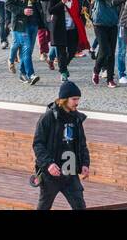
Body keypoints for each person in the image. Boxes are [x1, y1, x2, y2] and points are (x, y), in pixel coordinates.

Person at [31, 81, 90, 210]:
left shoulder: (77, 118)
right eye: (74, 99)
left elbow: (82, 144)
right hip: (51, 175)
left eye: (78, 99)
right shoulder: (48, 118)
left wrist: (85, 164)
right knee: (44, 207)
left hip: (70, 172)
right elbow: (38, 144)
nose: (77, 102)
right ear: (64, 99)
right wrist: (49, 164)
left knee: (80, 206)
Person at [5, 0, 43, 85]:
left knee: (28, 50)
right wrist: (22, 11)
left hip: (33, 21)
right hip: (21, 23)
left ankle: (22, 73)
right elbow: (8, 5)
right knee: (25, 48)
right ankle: (31, 74)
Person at [47, 0, 85, 82]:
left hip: (72, 27)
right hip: (60, 27)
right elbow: (51, 10)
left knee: (72, 51)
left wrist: (82, 10)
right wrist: (62, 2)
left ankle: (63, 66)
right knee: (61, 53)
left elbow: (77, 8)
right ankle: (63, 72)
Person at [89, 0, 123, 88]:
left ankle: (110, 79)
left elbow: (116, 1)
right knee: (104, 50)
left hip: (113, 23)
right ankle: (96, 70)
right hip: (100, 23)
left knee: (111, 52)